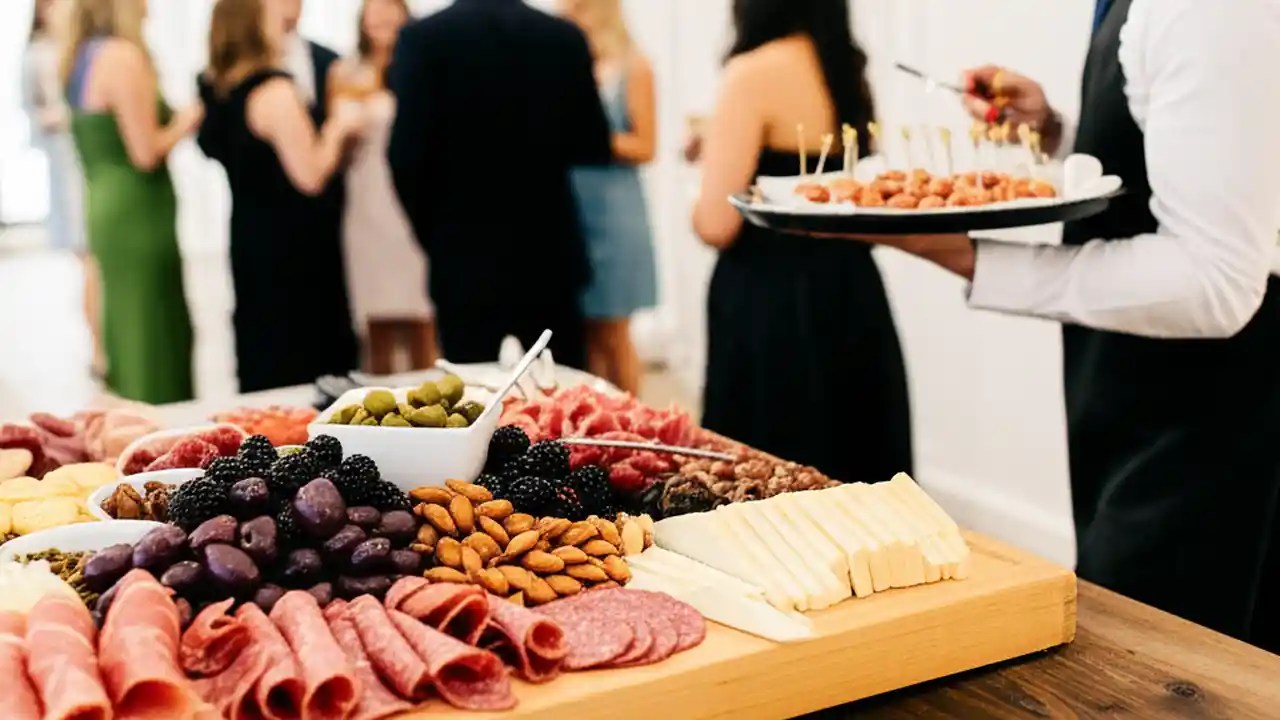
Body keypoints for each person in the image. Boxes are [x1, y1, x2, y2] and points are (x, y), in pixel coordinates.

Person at [828, 0, 1280, 650]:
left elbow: (1215, 281)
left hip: (1206, 412)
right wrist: (1057, 131)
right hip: (1137, 391)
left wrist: (969, 256)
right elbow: (1182, 164)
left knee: (1157, 665)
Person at [689, 0, 911, 485]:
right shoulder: (847, 70)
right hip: (851, 287)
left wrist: (702, 182)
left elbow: (715, 223)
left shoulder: (750, 73)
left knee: (767, 481)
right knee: (854, 463)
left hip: (768, 301)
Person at [386, 0, 613, 369]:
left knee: (470, 400)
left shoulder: (422, 38)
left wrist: (433, 232)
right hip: (548, 244)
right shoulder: (562, 37)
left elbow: (405, 156)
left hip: (461, 247)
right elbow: (592, 143)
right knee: (562, 393)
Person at [198, 0, 362, 392]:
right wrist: (340, 125)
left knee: (264, 344)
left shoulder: (222, 87)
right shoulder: (274, 89)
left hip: (250, 234)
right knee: (306, 351)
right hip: (295, 244)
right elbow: (311, 175)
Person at [61, 0, 200, 403]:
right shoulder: (123, 56)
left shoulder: (80, 55)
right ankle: (158, 426)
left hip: (105, 202)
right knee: (151, 328)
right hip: (137, 209)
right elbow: (145, 151)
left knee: (126, 321)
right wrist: (188, 119)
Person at [331, 0, 439, 375]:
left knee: (422, 317)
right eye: (373, 15)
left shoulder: (424, 67)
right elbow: (333, 149)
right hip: (367, 204)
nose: (381, 23)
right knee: (376, 322)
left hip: (414, 202)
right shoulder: (343, 73)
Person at [559, 0, 658, 396]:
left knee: (614, 329)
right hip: (572, 207)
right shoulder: (566, 65)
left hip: (615, 211)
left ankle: (634, 425)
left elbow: (646, 145)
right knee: (583, 332)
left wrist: (590, 137)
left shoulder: (635, 66)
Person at [24, 0, 96, 373]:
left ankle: (103, 346)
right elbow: (35, 115)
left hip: (90, 162)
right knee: (87, 259)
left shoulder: (81, 50)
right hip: (68, 165)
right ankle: (99, 350)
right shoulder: (38, 56)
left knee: (95, 262)